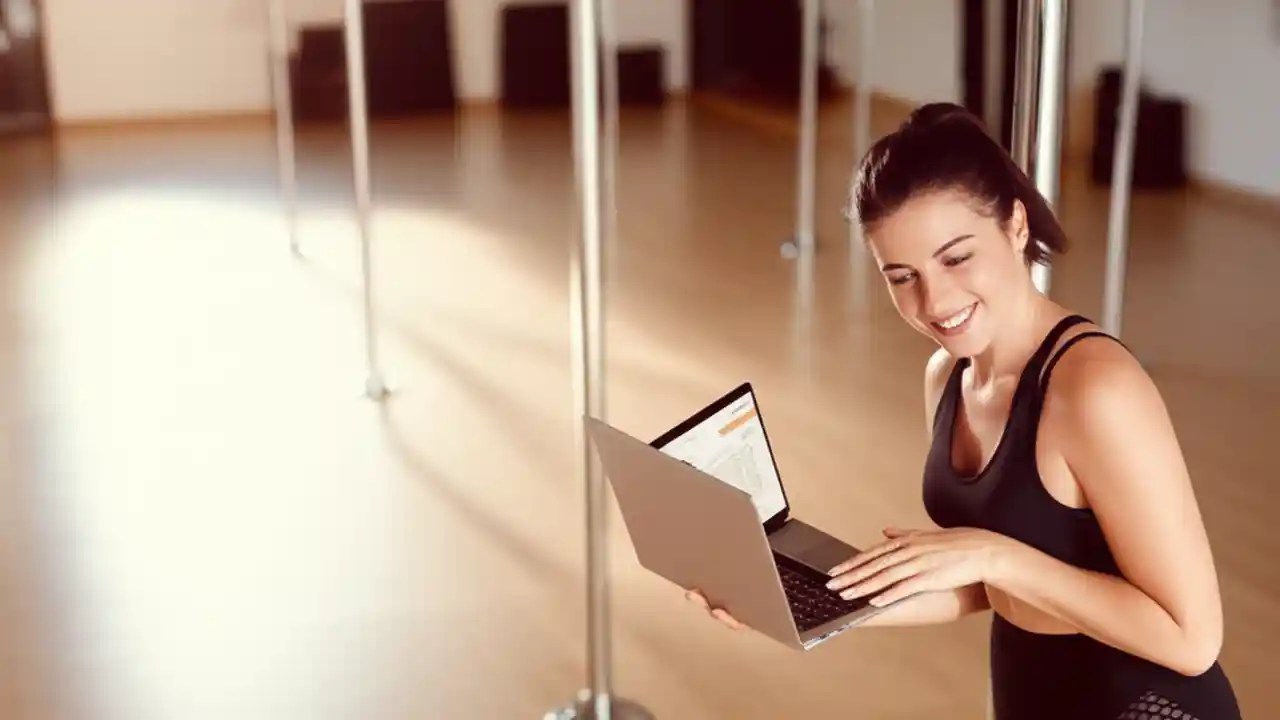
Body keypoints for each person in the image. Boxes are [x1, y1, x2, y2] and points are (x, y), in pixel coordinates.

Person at [686, 103, 1242, 720]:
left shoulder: (1095, 391)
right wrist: (806, 604)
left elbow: (1191, 641)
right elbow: (984, 587)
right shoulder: (947, 375)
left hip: (1145, 706)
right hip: (1029, 691)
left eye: (955, 258)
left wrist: (994, 553)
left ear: (1015, 226)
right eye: (901, 276)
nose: (934, 300)